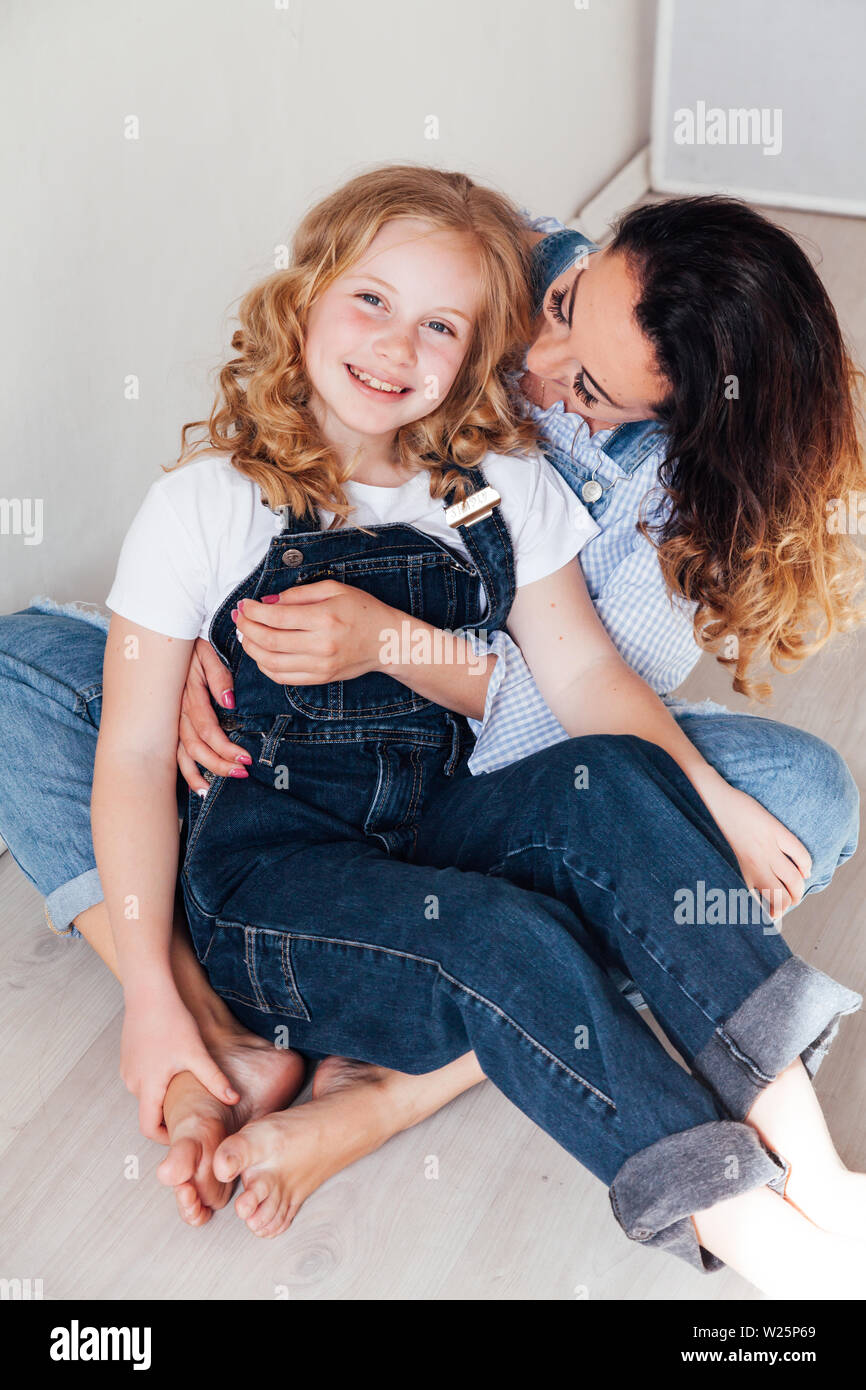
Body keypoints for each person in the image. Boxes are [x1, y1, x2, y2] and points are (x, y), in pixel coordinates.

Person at [0, 170, 861, 1293]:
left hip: (447, 805)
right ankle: (747, 1225)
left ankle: (814, 1166)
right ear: (302, 295)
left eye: (440, 328)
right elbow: (124, 754)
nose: (398, 346)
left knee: (619, 781)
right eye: (368, 303)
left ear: (467, 350)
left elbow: (588, 678)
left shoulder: (497, 482)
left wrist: (704, 794)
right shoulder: (210, 501)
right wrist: (172, 671)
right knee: (496, 937)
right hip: (276, 880)